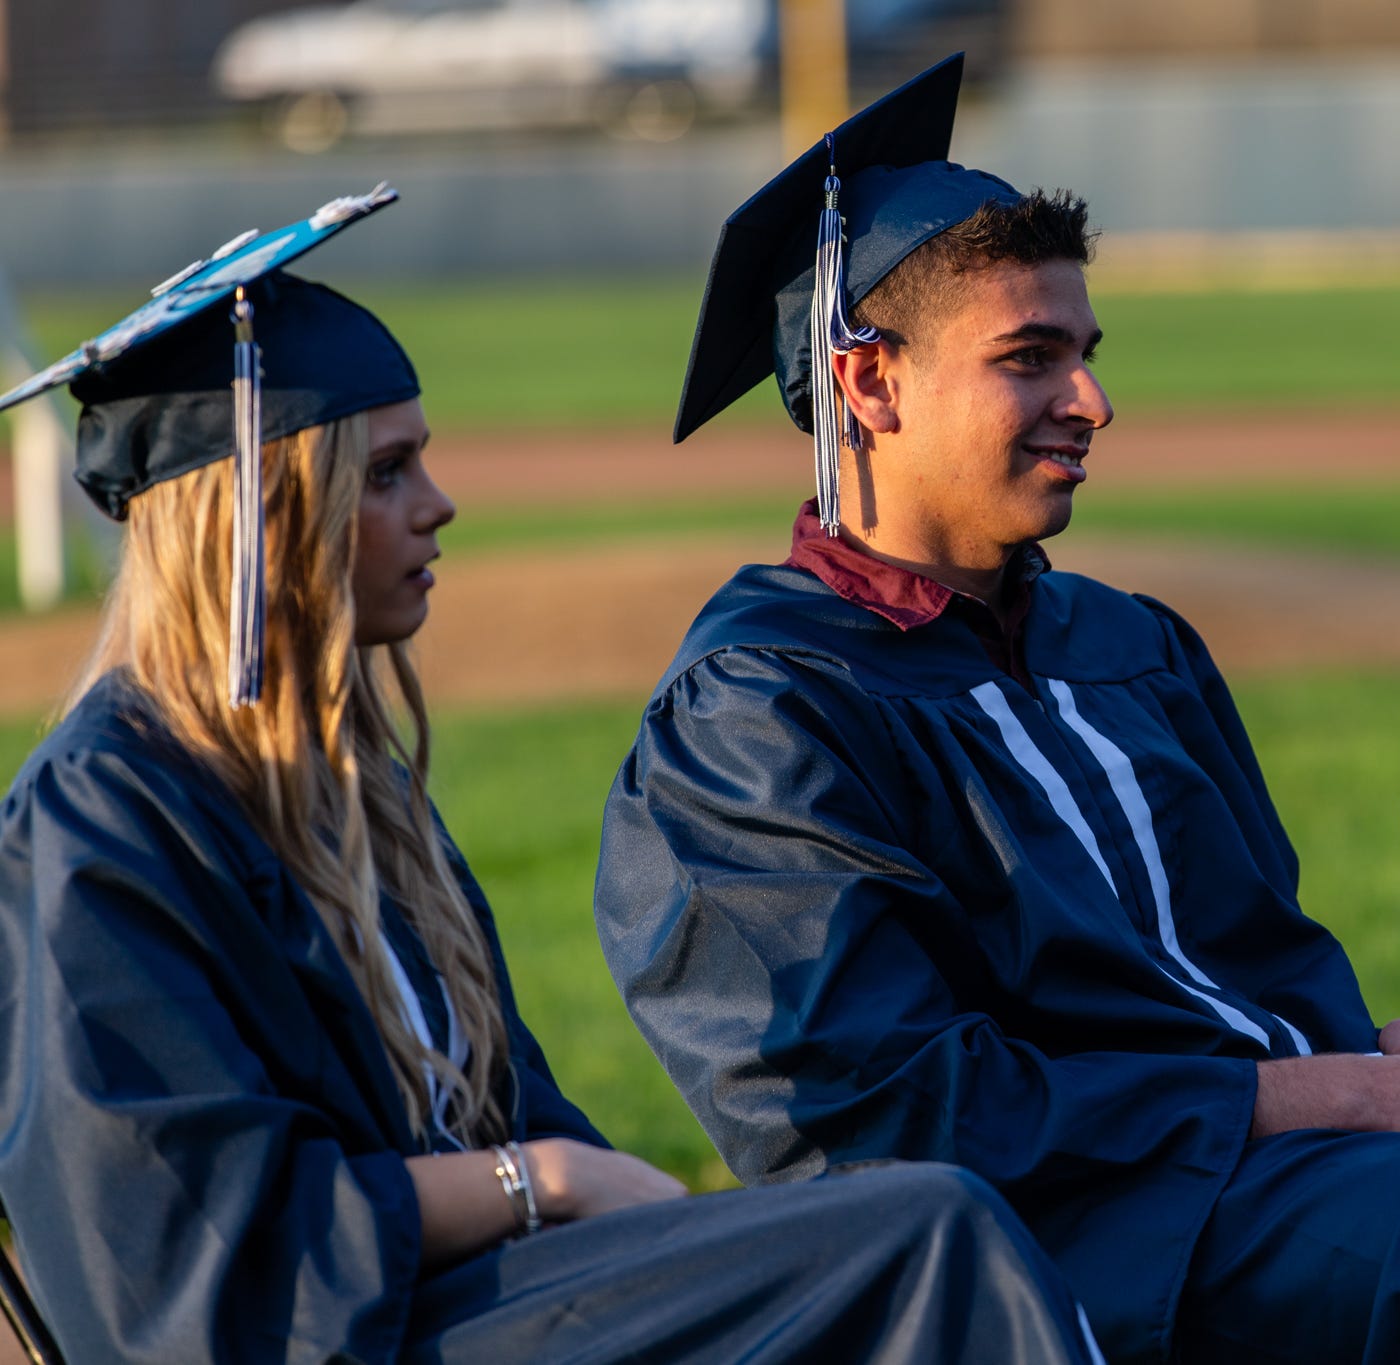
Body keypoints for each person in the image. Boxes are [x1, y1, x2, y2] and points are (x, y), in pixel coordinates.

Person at [0, 189, 1107, 1365]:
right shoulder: (102, 822)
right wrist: (546, 1181)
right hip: (348, 1340)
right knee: (925, 1236)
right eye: (385, 474)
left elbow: (498, 1105)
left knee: (907, 1227)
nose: (438, 504)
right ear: (260, 520)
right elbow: (190, 1260)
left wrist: (608, 1202)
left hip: (480, 1306)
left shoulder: (349, 795)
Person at [595, 55, 1400, 1365]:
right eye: (1029, 358)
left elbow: (1254, 969)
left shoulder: (1125, 642)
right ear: (870, 384)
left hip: (1288, 1178)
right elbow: (881, 1119)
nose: (1092, 403)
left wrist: (1388, 1057)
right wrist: (1337, 1089)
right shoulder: (764, 707)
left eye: (1087, 355)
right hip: (1085, 1250)